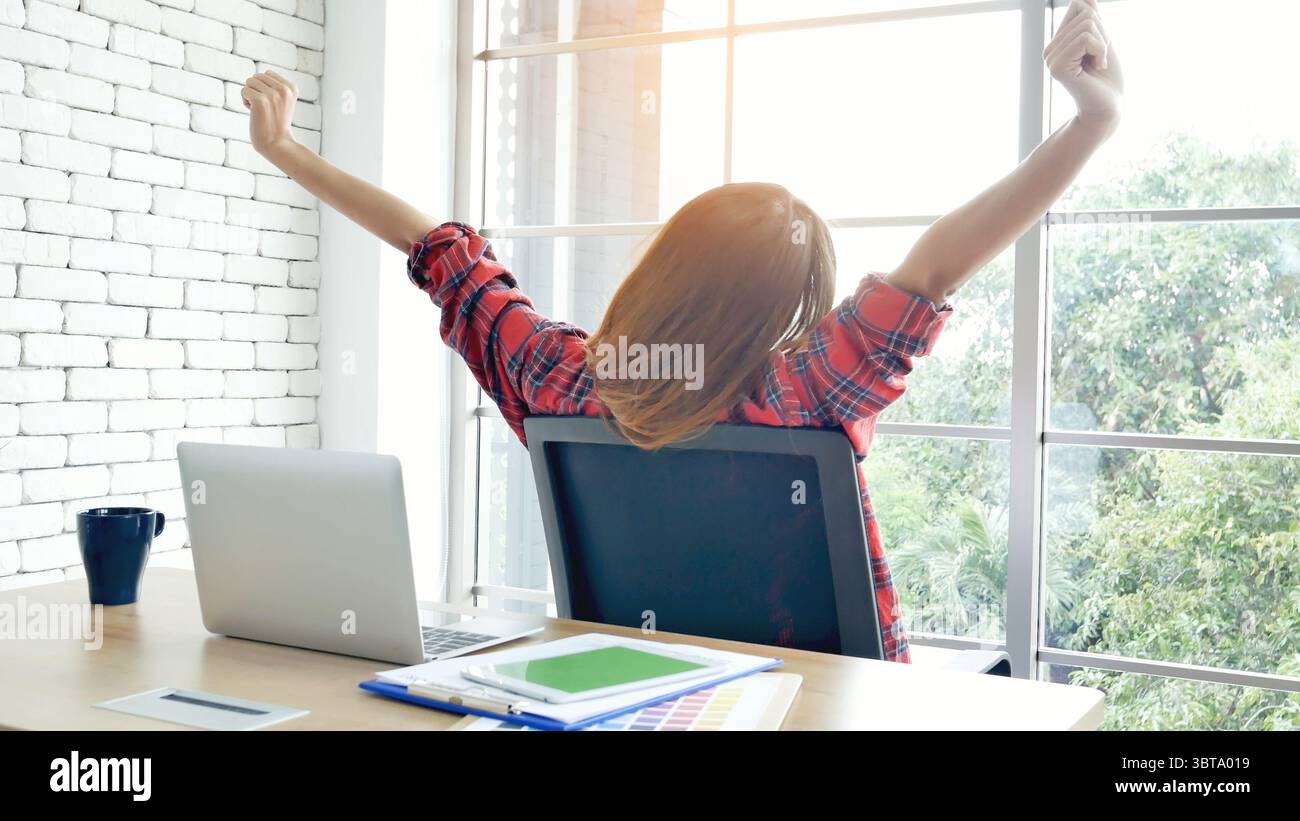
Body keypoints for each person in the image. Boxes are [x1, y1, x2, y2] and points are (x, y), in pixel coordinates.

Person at [239, 0, 1122, 662]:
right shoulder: (805, 390)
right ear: (788, 309)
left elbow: (438, 247)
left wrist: (289, 154)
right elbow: (936, 264)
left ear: (666, 265)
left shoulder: (562, 378)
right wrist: (1093, 120)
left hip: (647, 698)